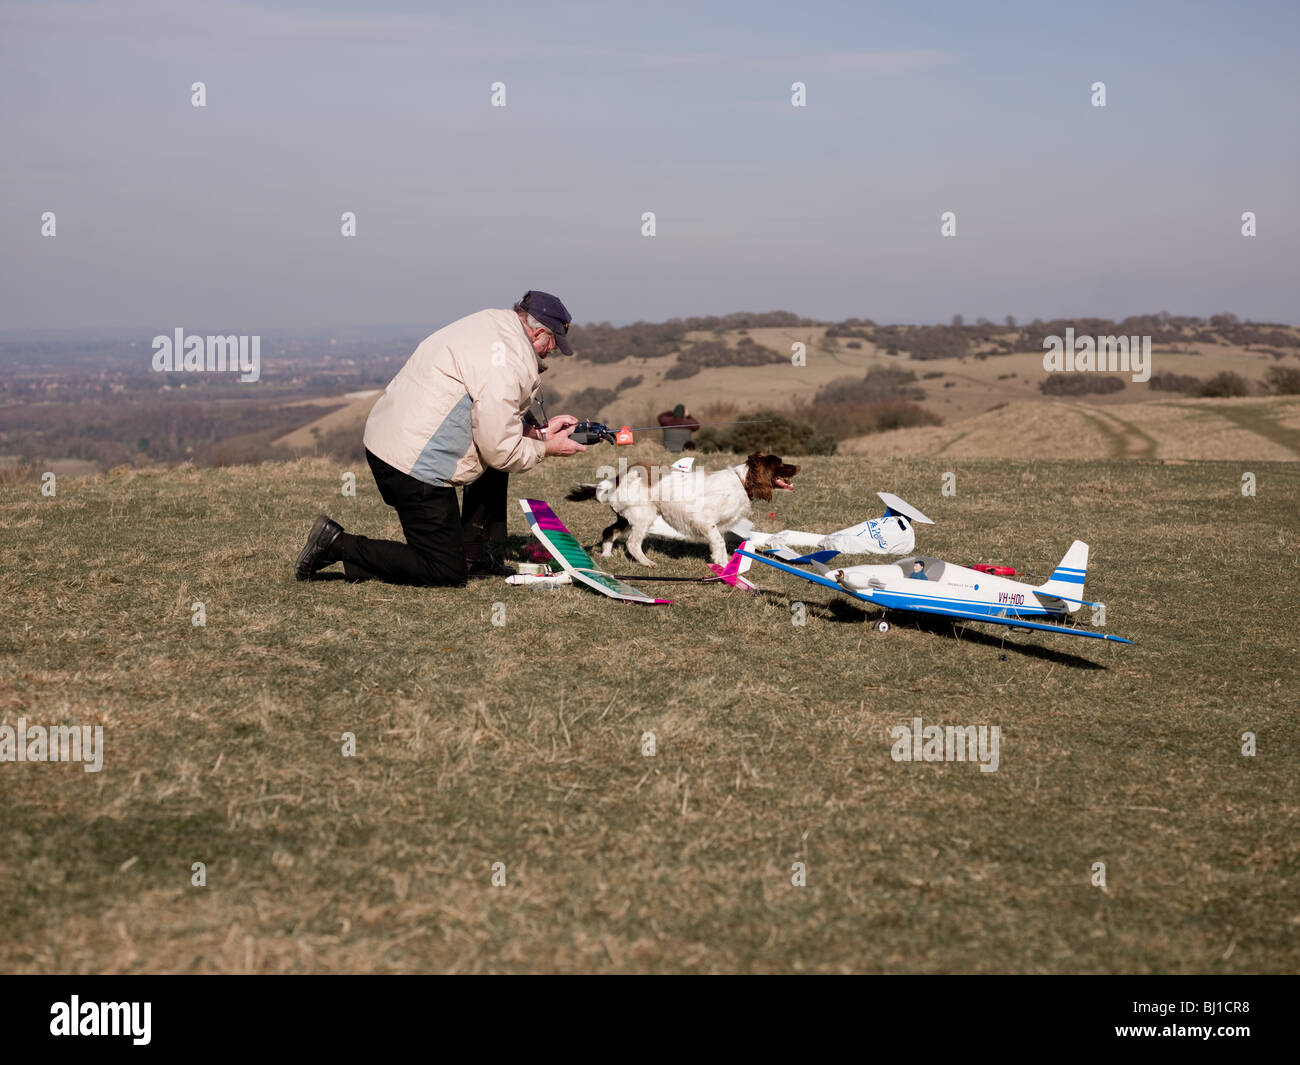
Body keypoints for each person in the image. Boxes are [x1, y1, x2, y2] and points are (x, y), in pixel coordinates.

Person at [294, 291, 586, 586]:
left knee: (488, 471)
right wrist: (546, 447)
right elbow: (501, 451)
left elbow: (489, 418)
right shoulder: (508, 363)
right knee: (445, 571)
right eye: (553, 344)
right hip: (413, 466)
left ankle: (473, 554)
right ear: (537, 333)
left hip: (392, 441)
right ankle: (336, 543)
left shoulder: (493, 323)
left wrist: (537, 432)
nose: (552, 352)